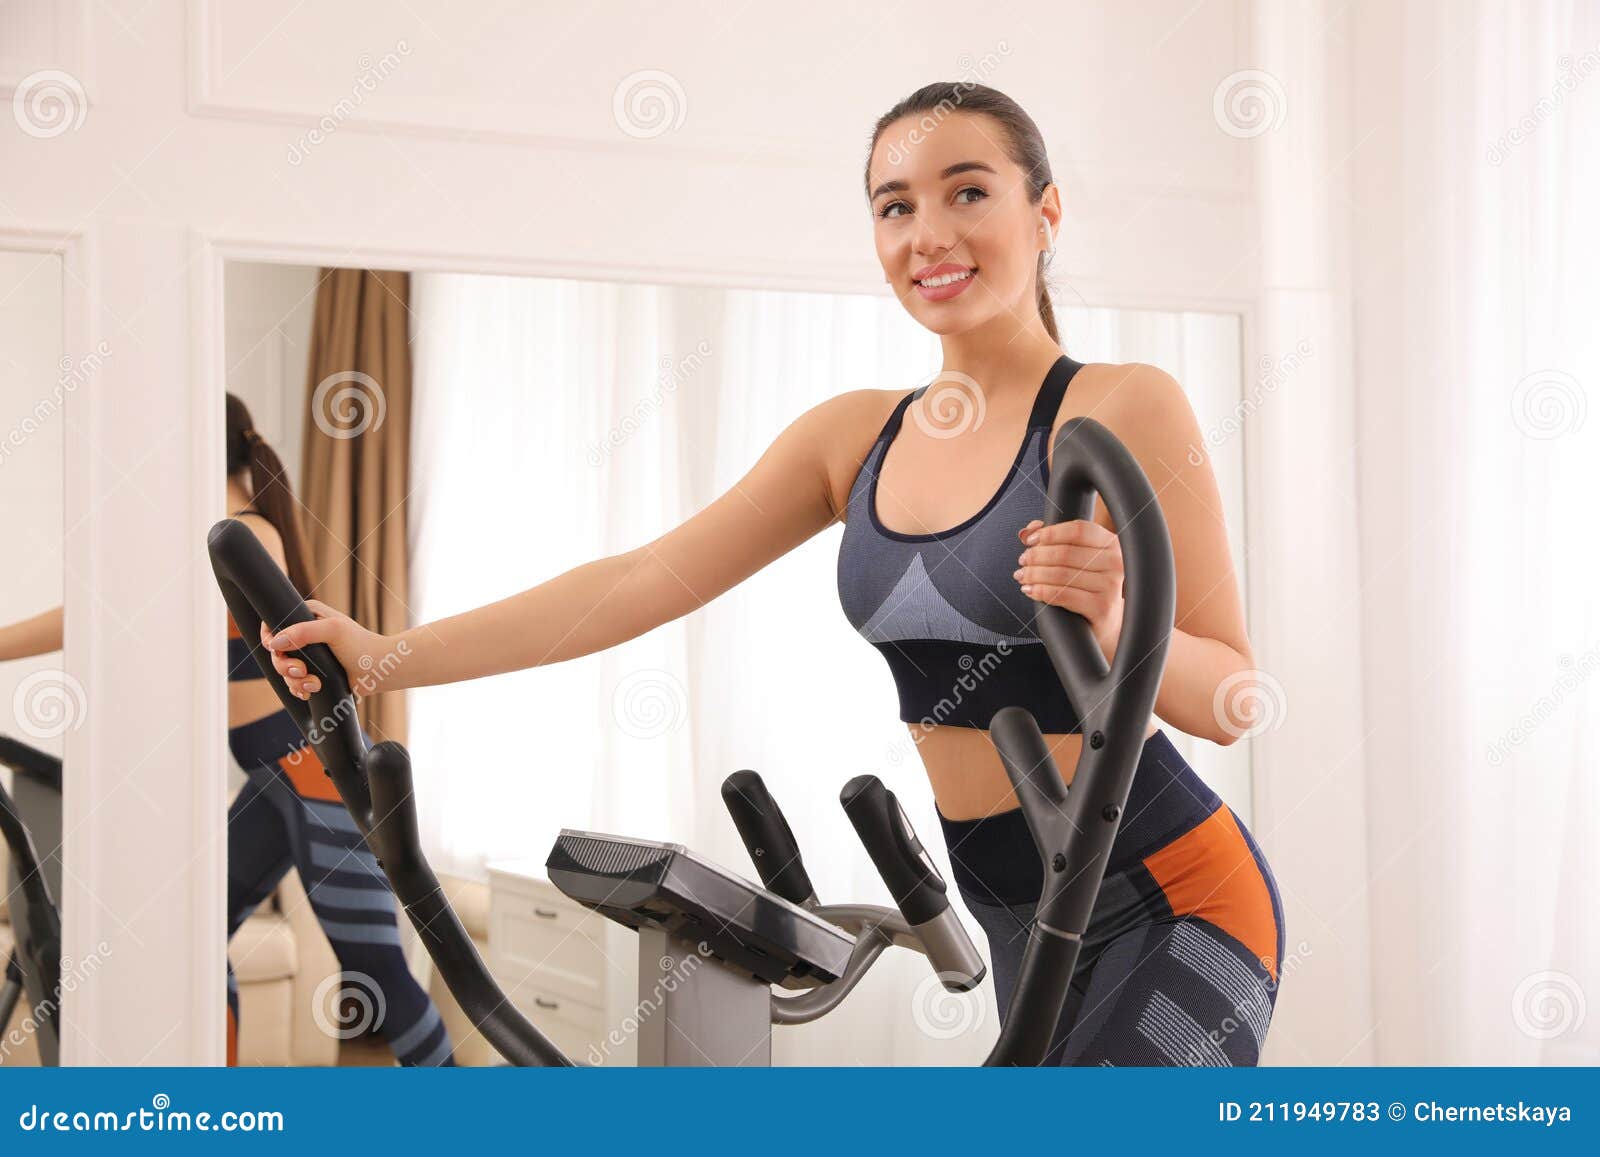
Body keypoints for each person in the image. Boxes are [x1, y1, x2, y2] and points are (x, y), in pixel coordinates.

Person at [257, 83, 1284, 1066]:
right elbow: (638, 579)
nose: (928, 233)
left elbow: (1230, 695)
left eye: (968, 191)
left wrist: (1111, 617)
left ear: (1044, 211)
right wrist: (384, 656)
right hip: (1017, 916)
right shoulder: (852, 438)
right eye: (895, 205)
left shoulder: (1122, 406)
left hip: (1174, 891)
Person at [1, 396, 455, 1066]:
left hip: (318, 773)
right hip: (276, 776)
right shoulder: (220, 537)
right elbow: (108, 607)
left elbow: (135, 609)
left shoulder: (249, 535)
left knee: (379, 969)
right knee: (196, 941)